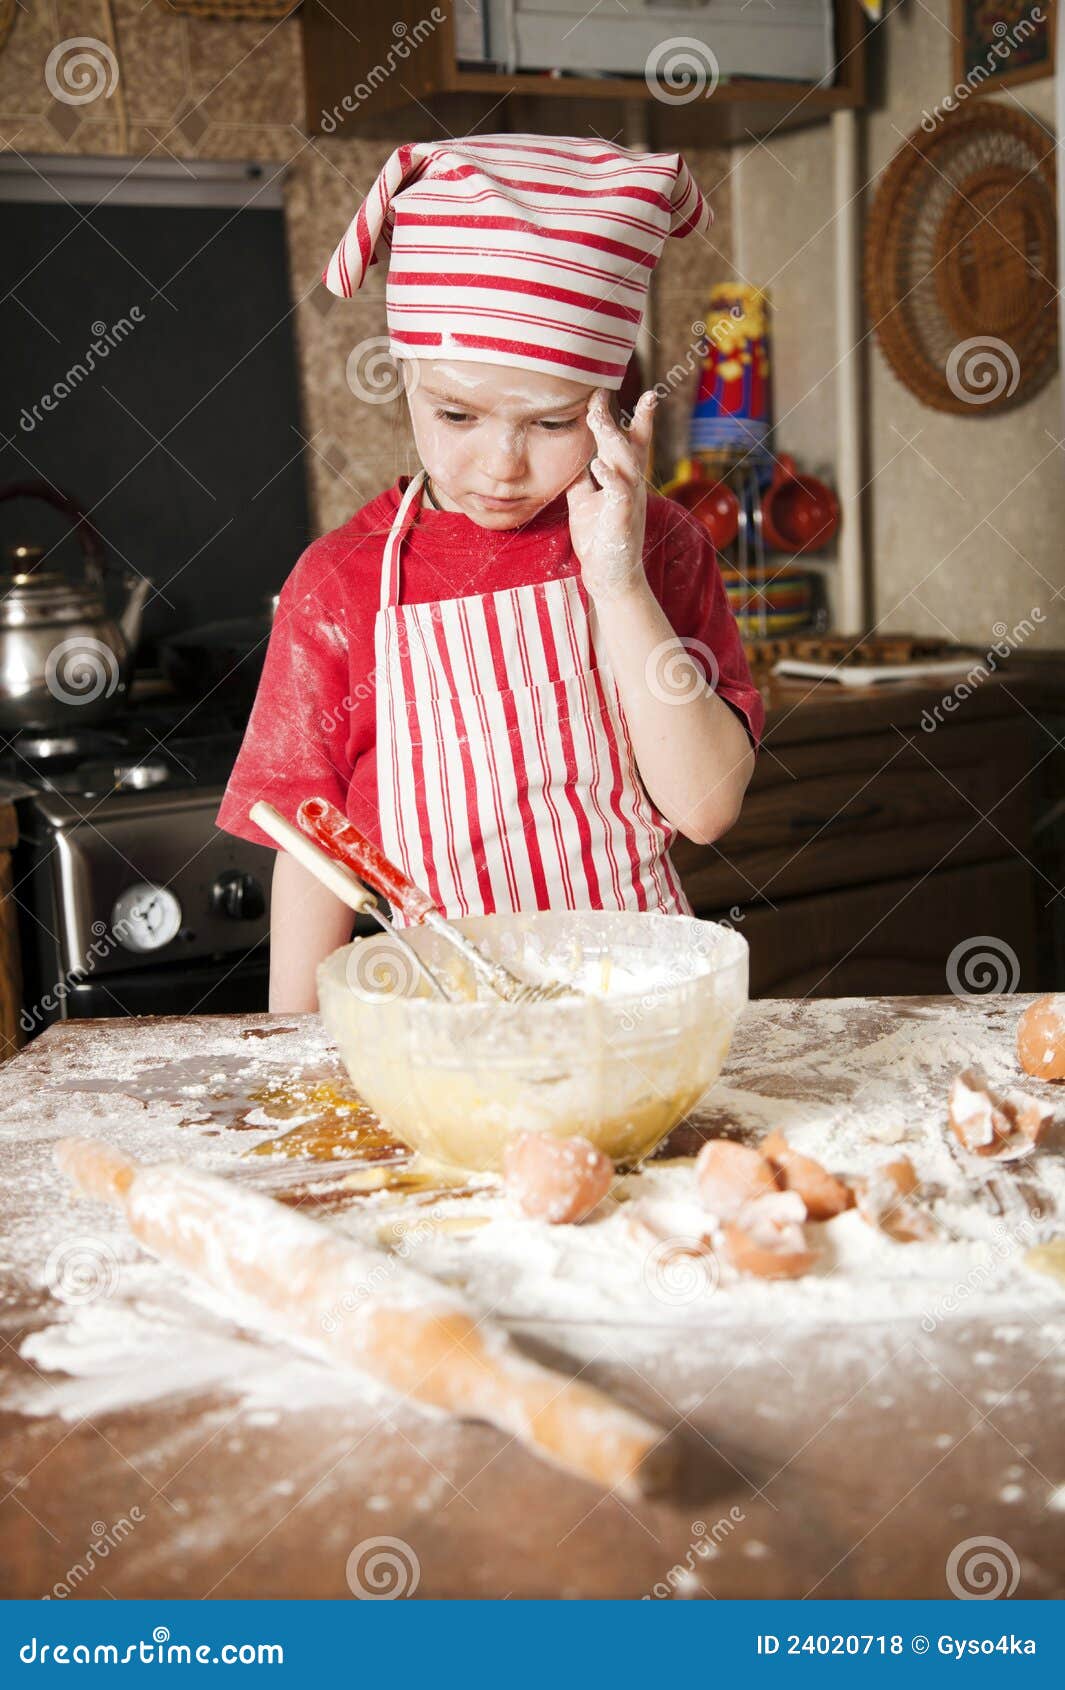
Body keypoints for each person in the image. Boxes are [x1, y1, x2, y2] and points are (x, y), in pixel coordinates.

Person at [215, 135, 764, 1012]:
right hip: (443, 1022)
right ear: (404, 377)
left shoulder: (659, 547)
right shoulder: (339, 583)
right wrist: (297, 1048)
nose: (500, 465)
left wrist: (617, 582)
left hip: (646, 1008)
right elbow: (310, 842)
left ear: (610, 403)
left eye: (551, 424)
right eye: (456, 412)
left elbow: (704, 809)